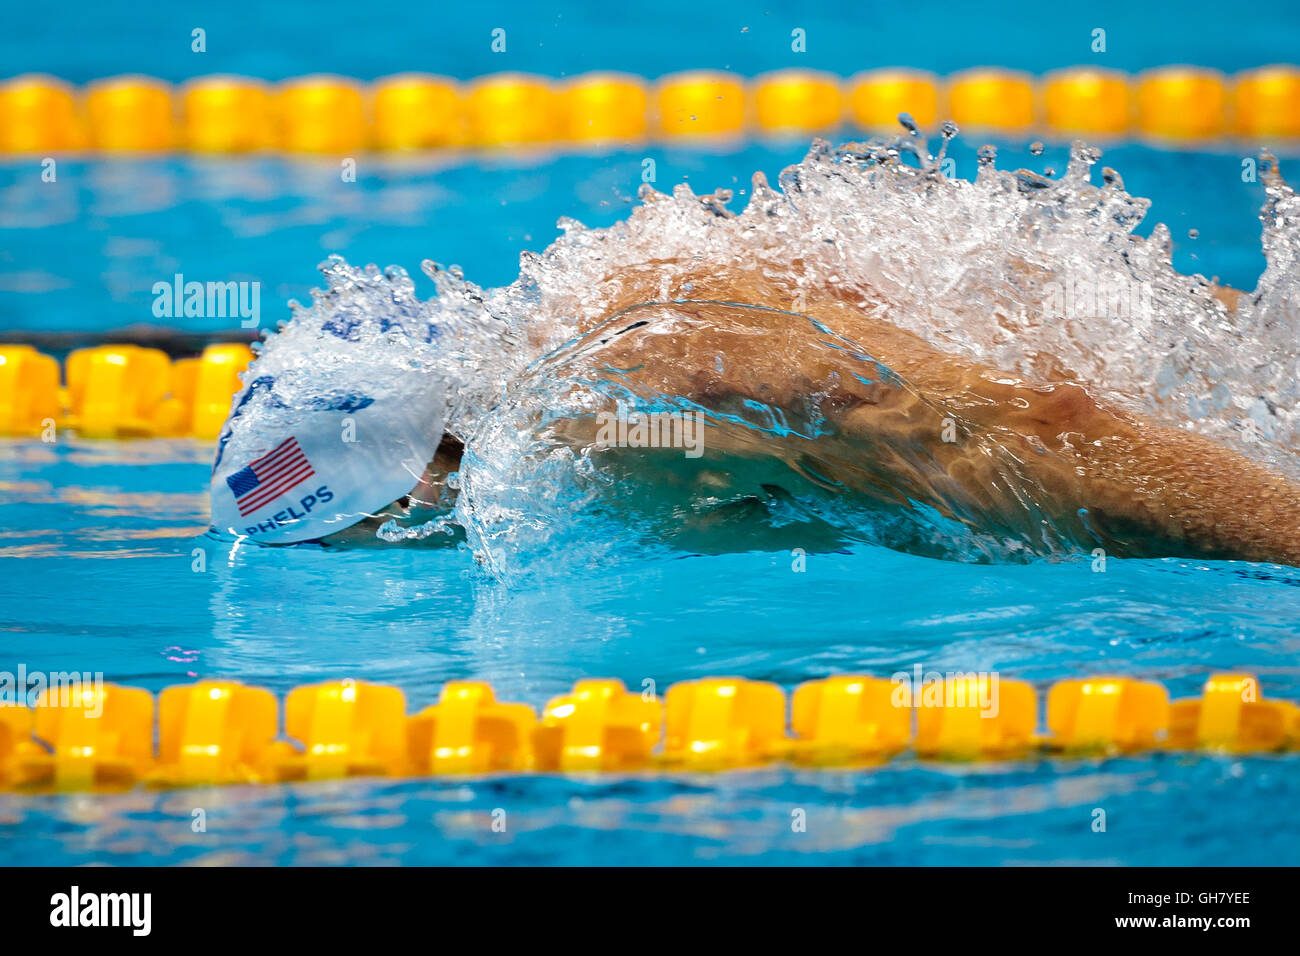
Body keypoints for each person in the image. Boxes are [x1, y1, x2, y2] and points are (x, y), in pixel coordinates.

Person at [211, 262, 1300, 565]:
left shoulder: (653, 383)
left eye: (393, 525)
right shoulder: (592, 420)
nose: (415, 542)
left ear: (433, 464)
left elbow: (1032, 429)